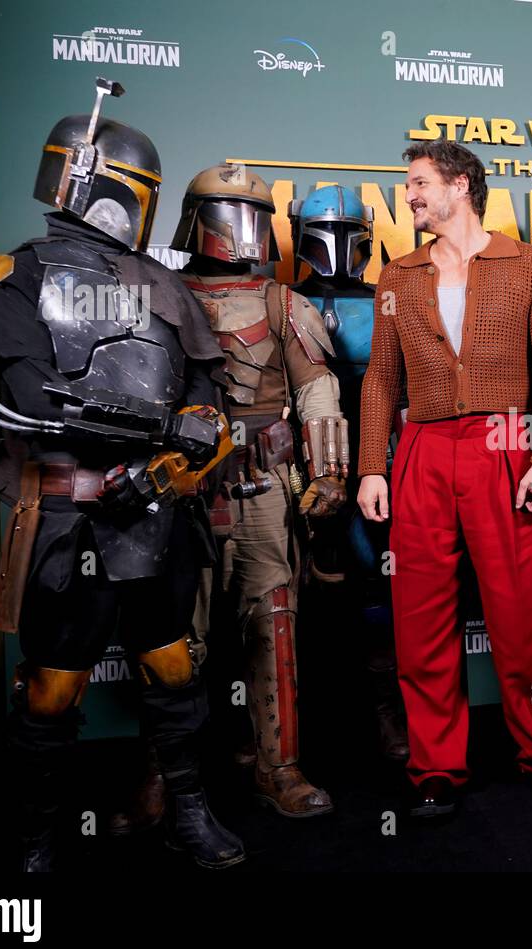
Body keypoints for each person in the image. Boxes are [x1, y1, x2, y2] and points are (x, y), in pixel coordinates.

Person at [0, 79, 244, 870]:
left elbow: (206, 403)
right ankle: (33, 838)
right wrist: (158, 429)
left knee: (175, 668)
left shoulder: (167, 288)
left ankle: (188, 813)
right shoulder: (15, 276)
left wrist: (169, 466)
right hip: (65, 519)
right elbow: (16, 400)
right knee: (52, 690)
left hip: (154, 516)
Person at [356, 139, 532, 818]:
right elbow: (379, 381)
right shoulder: (399, 275)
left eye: (419, 182)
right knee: (421, 618)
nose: (410, 194)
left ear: (460, 185)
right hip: (423, 451)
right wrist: (372, 465)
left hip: (506, 443)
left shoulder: (527, 264)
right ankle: (436, 769)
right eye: (408, 185)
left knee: (524, 615)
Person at [173, 163, 346, 817]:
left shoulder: (282, 303)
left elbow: (316, 388)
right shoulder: (159, 297)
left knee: (273, 626)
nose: (237, 231)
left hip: (262, 488)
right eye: (223, 213)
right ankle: (169, 774)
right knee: (173, 641)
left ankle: (279, 766)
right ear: (195, 220)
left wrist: (328, 470)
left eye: (250, 215)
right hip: (178, 489)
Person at [291, 185, 410, 763]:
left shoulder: (388, 300)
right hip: (298, 467)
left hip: (374, 463)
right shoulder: (281, 303)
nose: (336, 248)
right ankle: (305, 728)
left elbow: (408, 389)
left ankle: (384, 714)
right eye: (324, 234)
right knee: (293, 592)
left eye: (348, 234)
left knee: (375, 586)